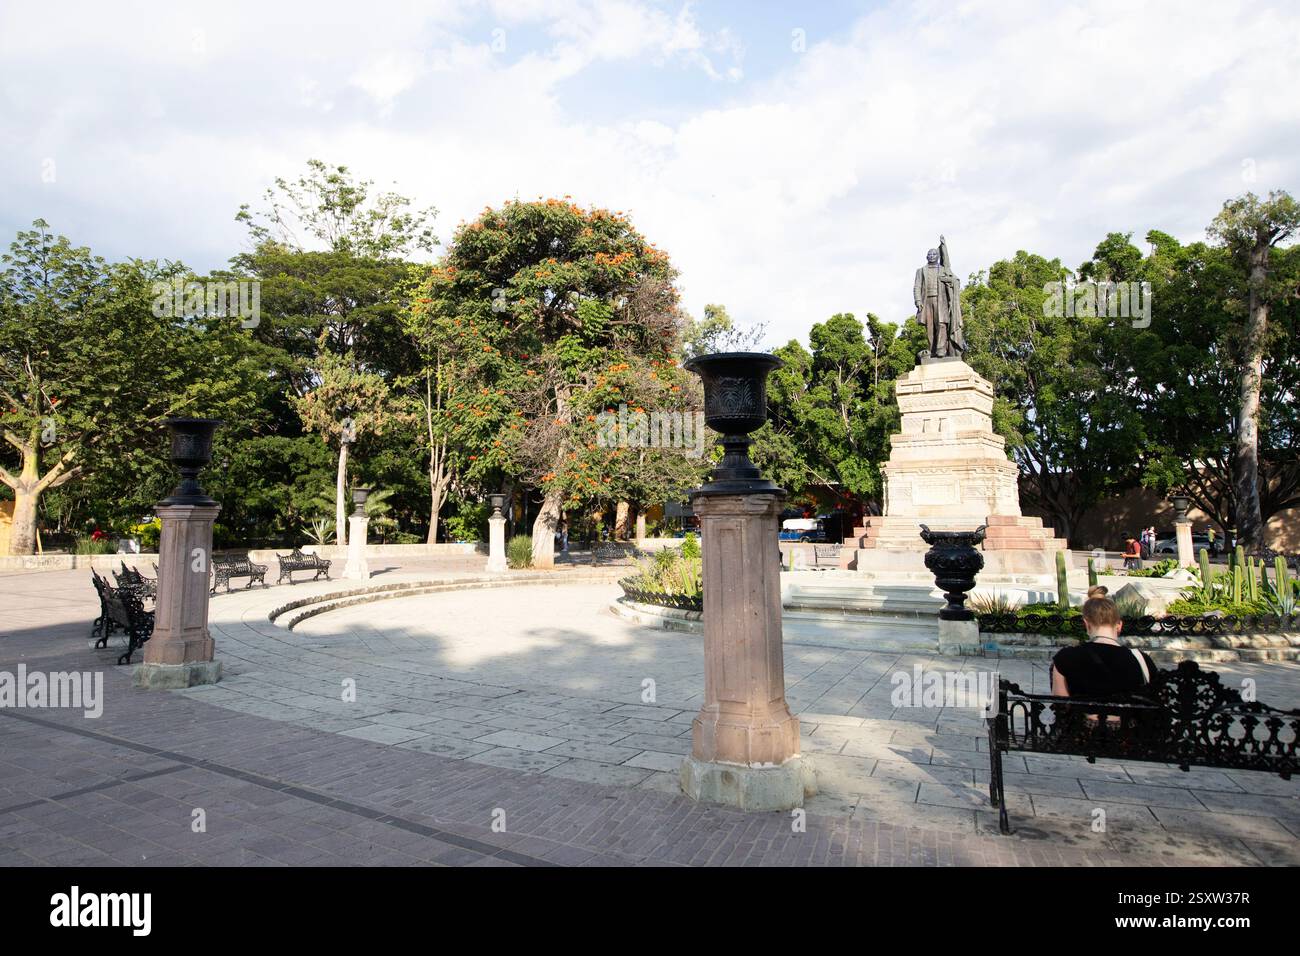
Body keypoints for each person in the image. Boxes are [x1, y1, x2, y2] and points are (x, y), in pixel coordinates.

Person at [1050, 592, 1155, 699]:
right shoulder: (1142, 660)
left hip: (1084, 715)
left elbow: (1060, 706)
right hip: (1128, 715)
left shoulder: (1065, 657)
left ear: (1086, 624)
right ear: (1119, 625)